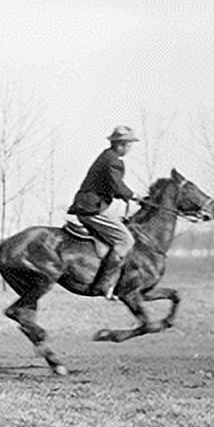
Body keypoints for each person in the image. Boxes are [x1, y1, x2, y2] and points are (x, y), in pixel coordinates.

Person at [68, 125, 143, 300]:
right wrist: (134, 196)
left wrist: (125, 195)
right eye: (129, 144)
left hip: (90, 205)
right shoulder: (112, 161)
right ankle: (106, 284)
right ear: (121, 144)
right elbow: (117, 185)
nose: (130, 148)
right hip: (91, 208)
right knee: (125, 239)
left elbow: (111, 187)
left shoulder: (107, 157)